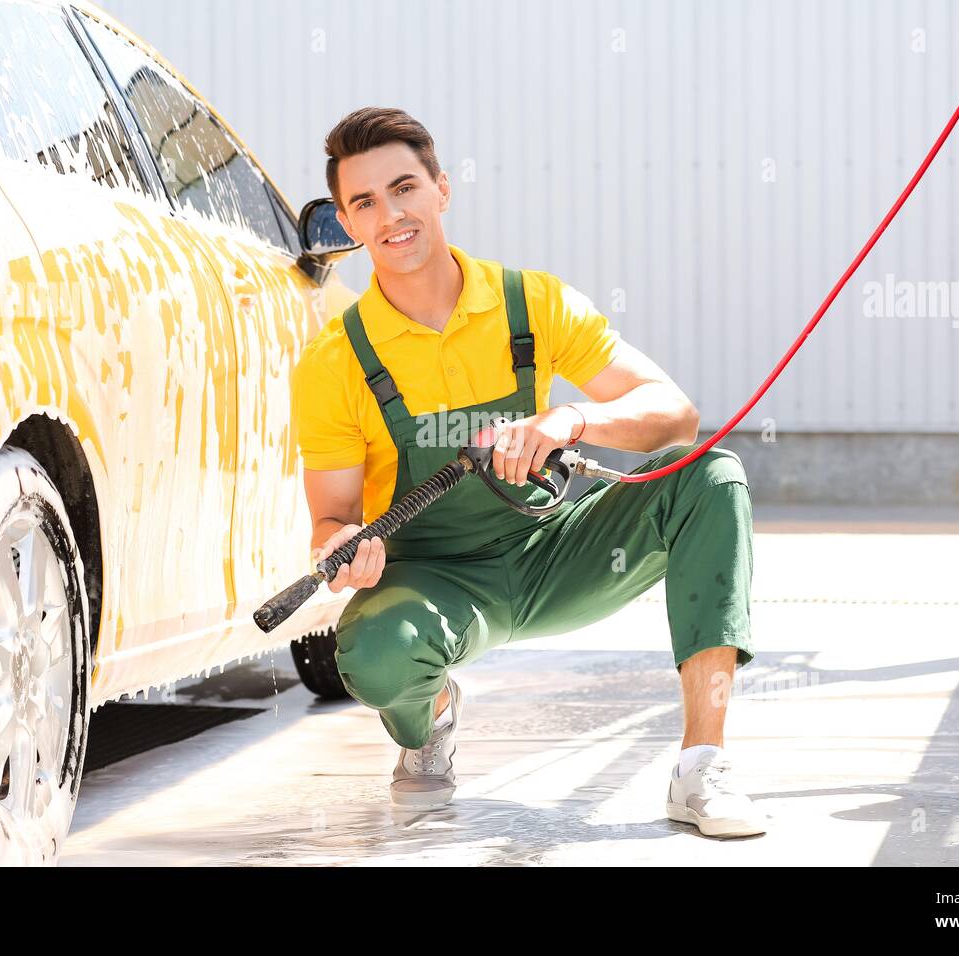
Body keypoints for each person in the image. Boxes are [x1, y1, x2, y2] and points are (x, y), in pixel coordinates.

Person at [289, 107, 768, 837]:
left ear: (442, 190)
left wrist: (571, 421)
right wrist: (345, 546)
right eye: (365, 203)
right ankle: (433, 721)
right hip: (437, 579)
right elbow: (331, 517)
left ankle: (703, 764)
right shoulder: (334, 360)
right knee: (374, 653)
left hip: (555, 551)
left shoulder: (530, 302)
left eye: (405, 188)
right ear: (349, 226)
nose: (391, 215)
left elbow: (675, 414)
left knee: (712, 477)